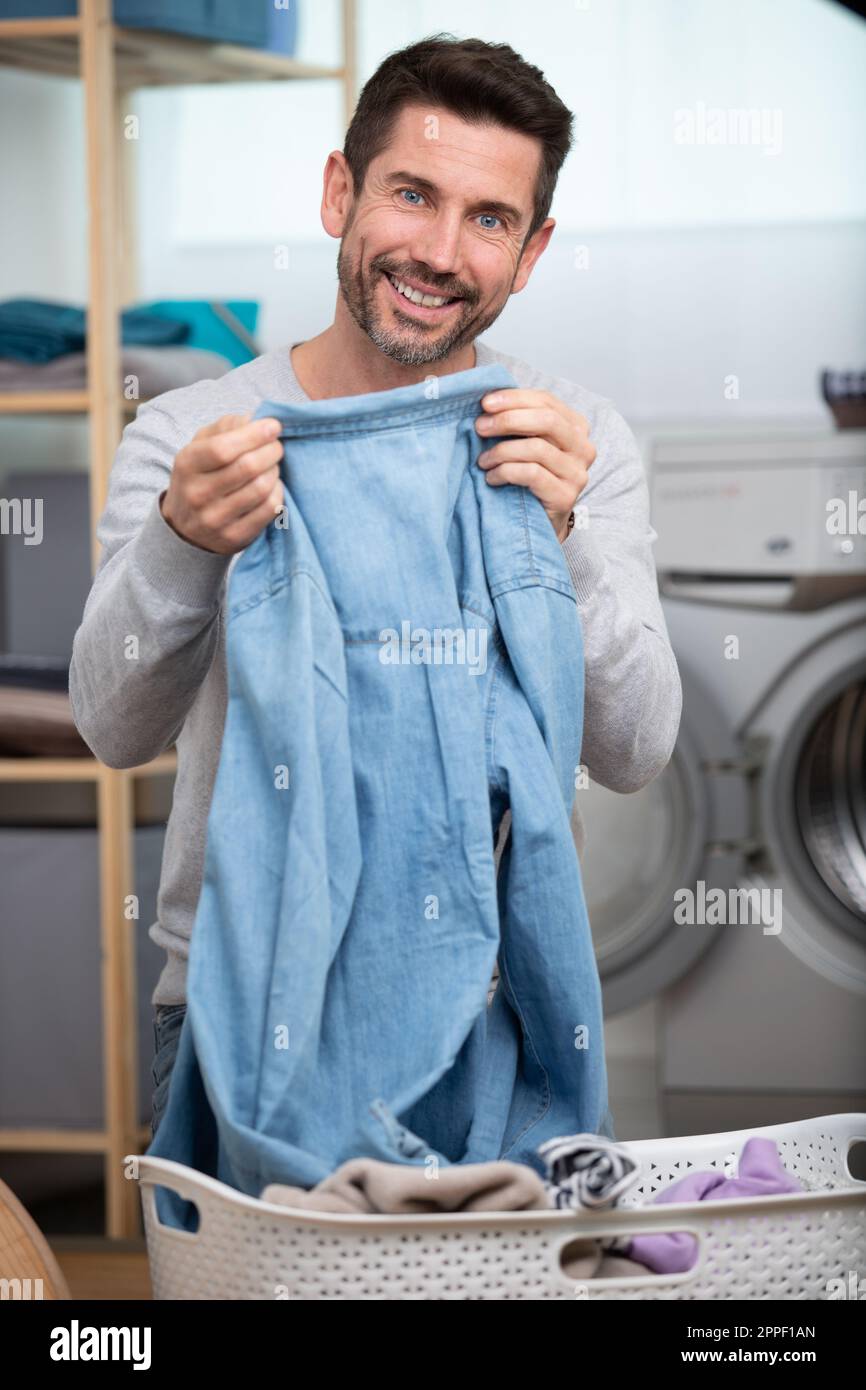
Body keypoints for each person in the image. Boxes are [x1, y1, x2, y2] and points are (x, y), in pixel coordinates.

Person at [68, 34, 682, 1139]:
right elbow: (111, 727)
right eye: (411, 194)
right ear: (338, 192)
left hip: (497, 1016)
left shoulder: (568, 442)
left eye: (488, 219)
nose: (441, 251)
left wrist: (565, 532)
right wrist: (183, 541)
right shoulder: (192, 434)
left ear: (531, 252)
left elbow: (635, 750)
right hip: (232, 1001)